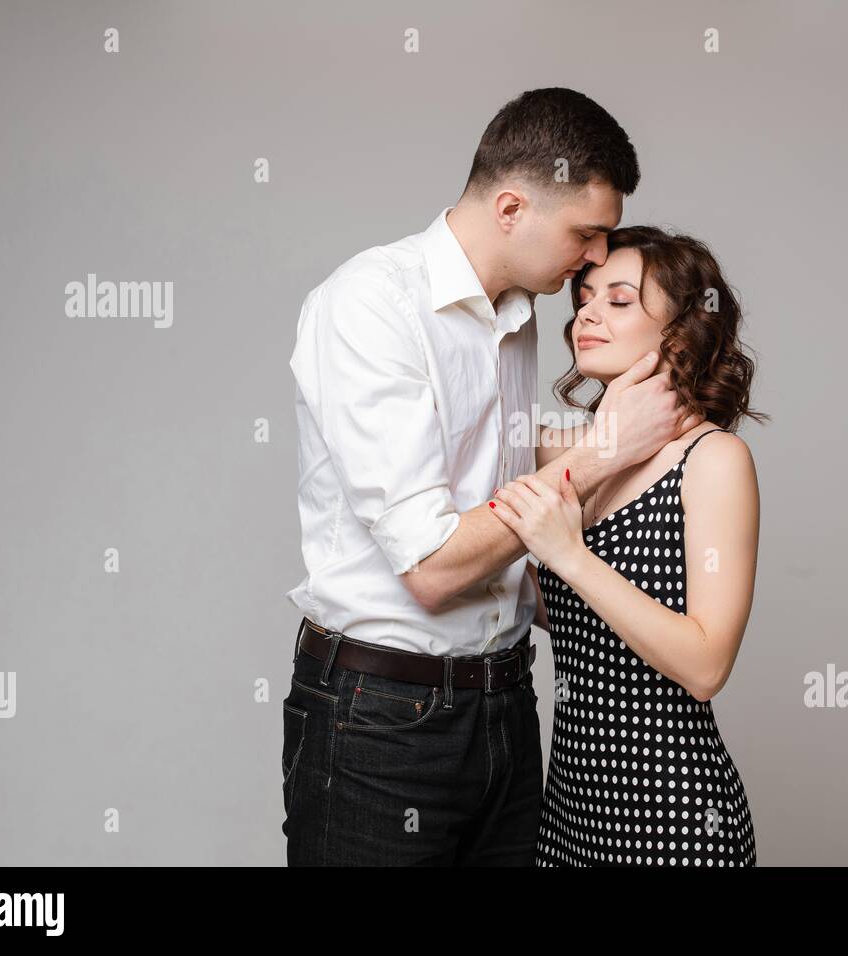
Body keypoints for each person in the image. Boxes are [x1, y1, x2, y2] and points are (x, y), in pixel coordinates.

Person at [281, 88, 704, 865]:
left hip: (508, 707)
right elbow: (435, 570)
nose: (596, 257)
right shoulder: (370, 306)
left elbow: (490, 456)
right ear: (511, 208)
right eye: (587, 234)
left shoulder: (517, 310)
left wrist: (652, 439)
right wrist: (605, 449)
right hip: (382, 720)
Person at [486, 225, 768, 866]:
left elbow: (705, 667)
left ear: (680, 331)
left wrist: (568, 556)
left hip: (674, 817)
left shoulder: (712, 459)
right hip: (567, 815)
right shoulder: (577, 453)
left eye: (618, 300)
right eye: (584, 297)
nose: (586, 312)